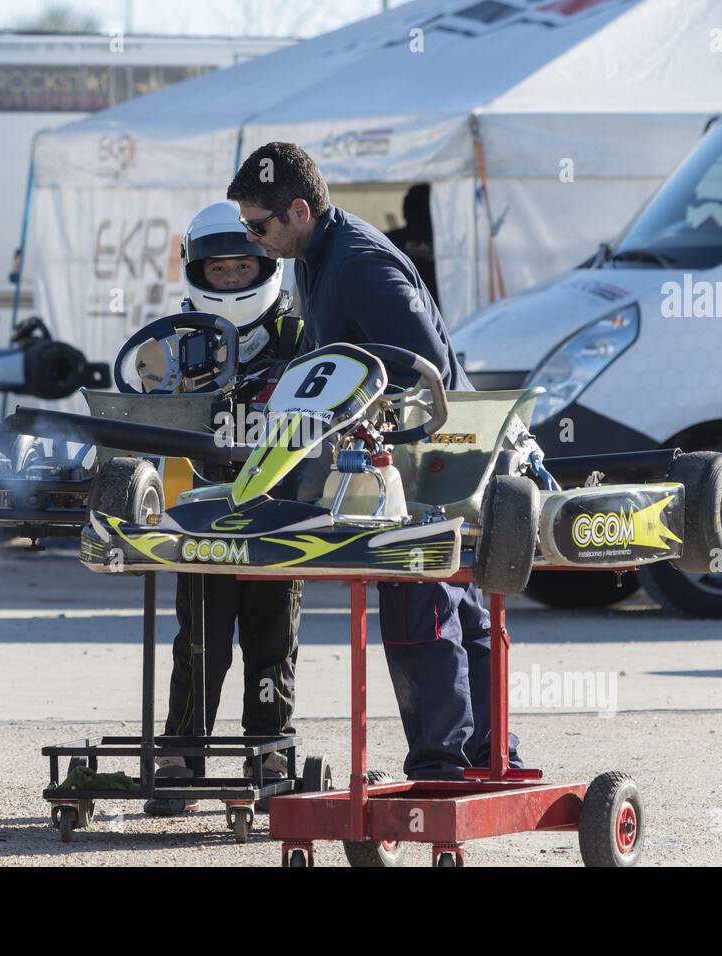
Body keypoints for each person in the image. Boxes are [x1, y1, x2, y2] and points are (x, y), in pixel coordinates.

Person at [227, 142, 522, 781]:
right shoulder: (311, 255)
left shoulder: (359, 262)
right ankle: (486, 753)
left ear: (299, 210)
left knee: (425, 603)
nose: (253, 240)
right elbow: (330, 356)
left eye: (259, 226)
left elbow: (428, 370)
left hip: (441, 452)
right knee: (453, 606)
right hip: (417, 457)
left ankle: (447, 764)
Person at [142, 201, 304, 816]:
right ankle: (182, 753)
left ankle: (269, 748)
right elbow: (145, 405)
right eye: (221, 270)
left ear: (265, 265)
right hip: (203, 509)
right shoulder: (180, 339)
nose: (232, 279)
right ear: (198, 272)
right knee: (201, 637)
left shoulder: (299, 334)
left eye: (243, 268)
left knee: (272, 638)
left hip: (279, 509)